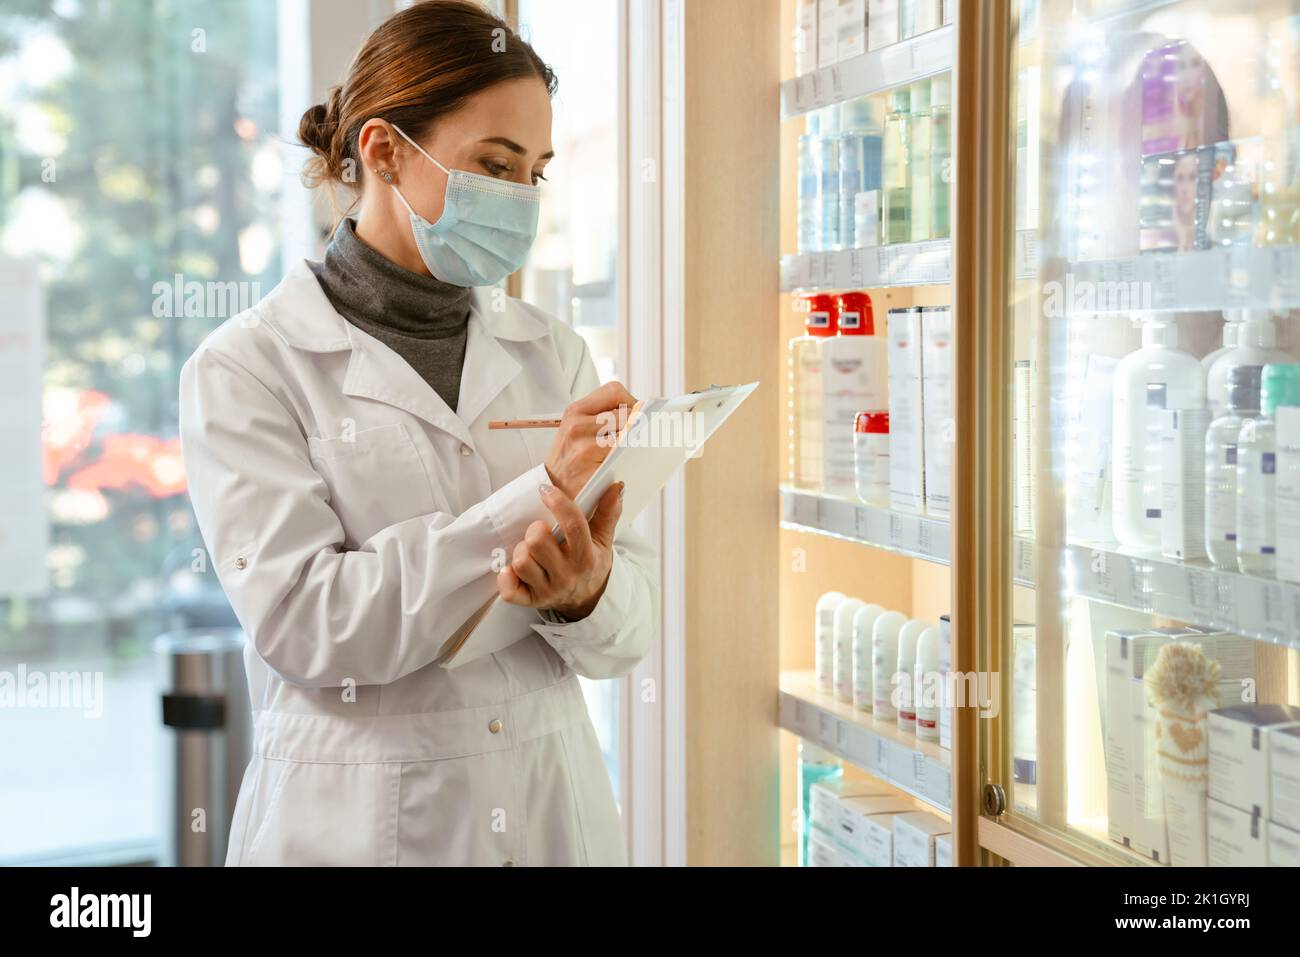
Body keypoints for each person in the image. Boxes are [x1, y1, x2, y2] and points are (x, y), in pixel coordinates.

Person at [178, 0, 658, 866]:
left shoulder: (552, 352)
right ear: (385, 149)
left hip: (551, 808)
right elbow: (306, 622)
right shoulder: (248, 368)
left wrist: (586, 588)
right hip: (362, 825)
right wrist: (531, 514)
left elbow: (628, 639)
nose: (519, 201)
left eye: (535, 175)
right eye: (494, 165)